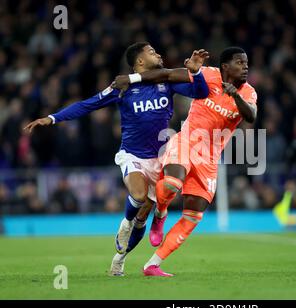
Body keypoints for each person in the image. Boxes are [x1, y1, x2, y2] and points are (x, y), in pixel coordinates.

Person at [23, 42, 210, 276]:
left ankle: (119, 259)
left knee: (142, 220)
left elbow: (201, 92)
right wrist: (52, 118)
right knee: (139, 196)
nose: (158, 53)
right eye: (151, 51)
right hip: (132, 155)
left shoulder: (166, 82)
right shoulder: (122, 87)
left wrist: (197, 72)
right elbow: (87, 105)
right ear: (139, 62)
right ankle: (124, 224)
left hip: (160, 160)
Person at [112, 47, 257, 276]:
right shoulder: (208, 74)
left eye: (246, 63)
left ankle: (152, 265)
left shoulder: (248, 92)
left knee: (193, 216)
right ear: (225, 67)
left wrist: (235, 95)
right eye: (240, 62)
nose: (245, 67)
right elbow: (167, 74)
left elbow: (251, 117)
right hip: (187, 141)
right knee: (171, 183)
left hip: (209, 158)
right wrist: (132, 78)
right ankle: (160, 213)